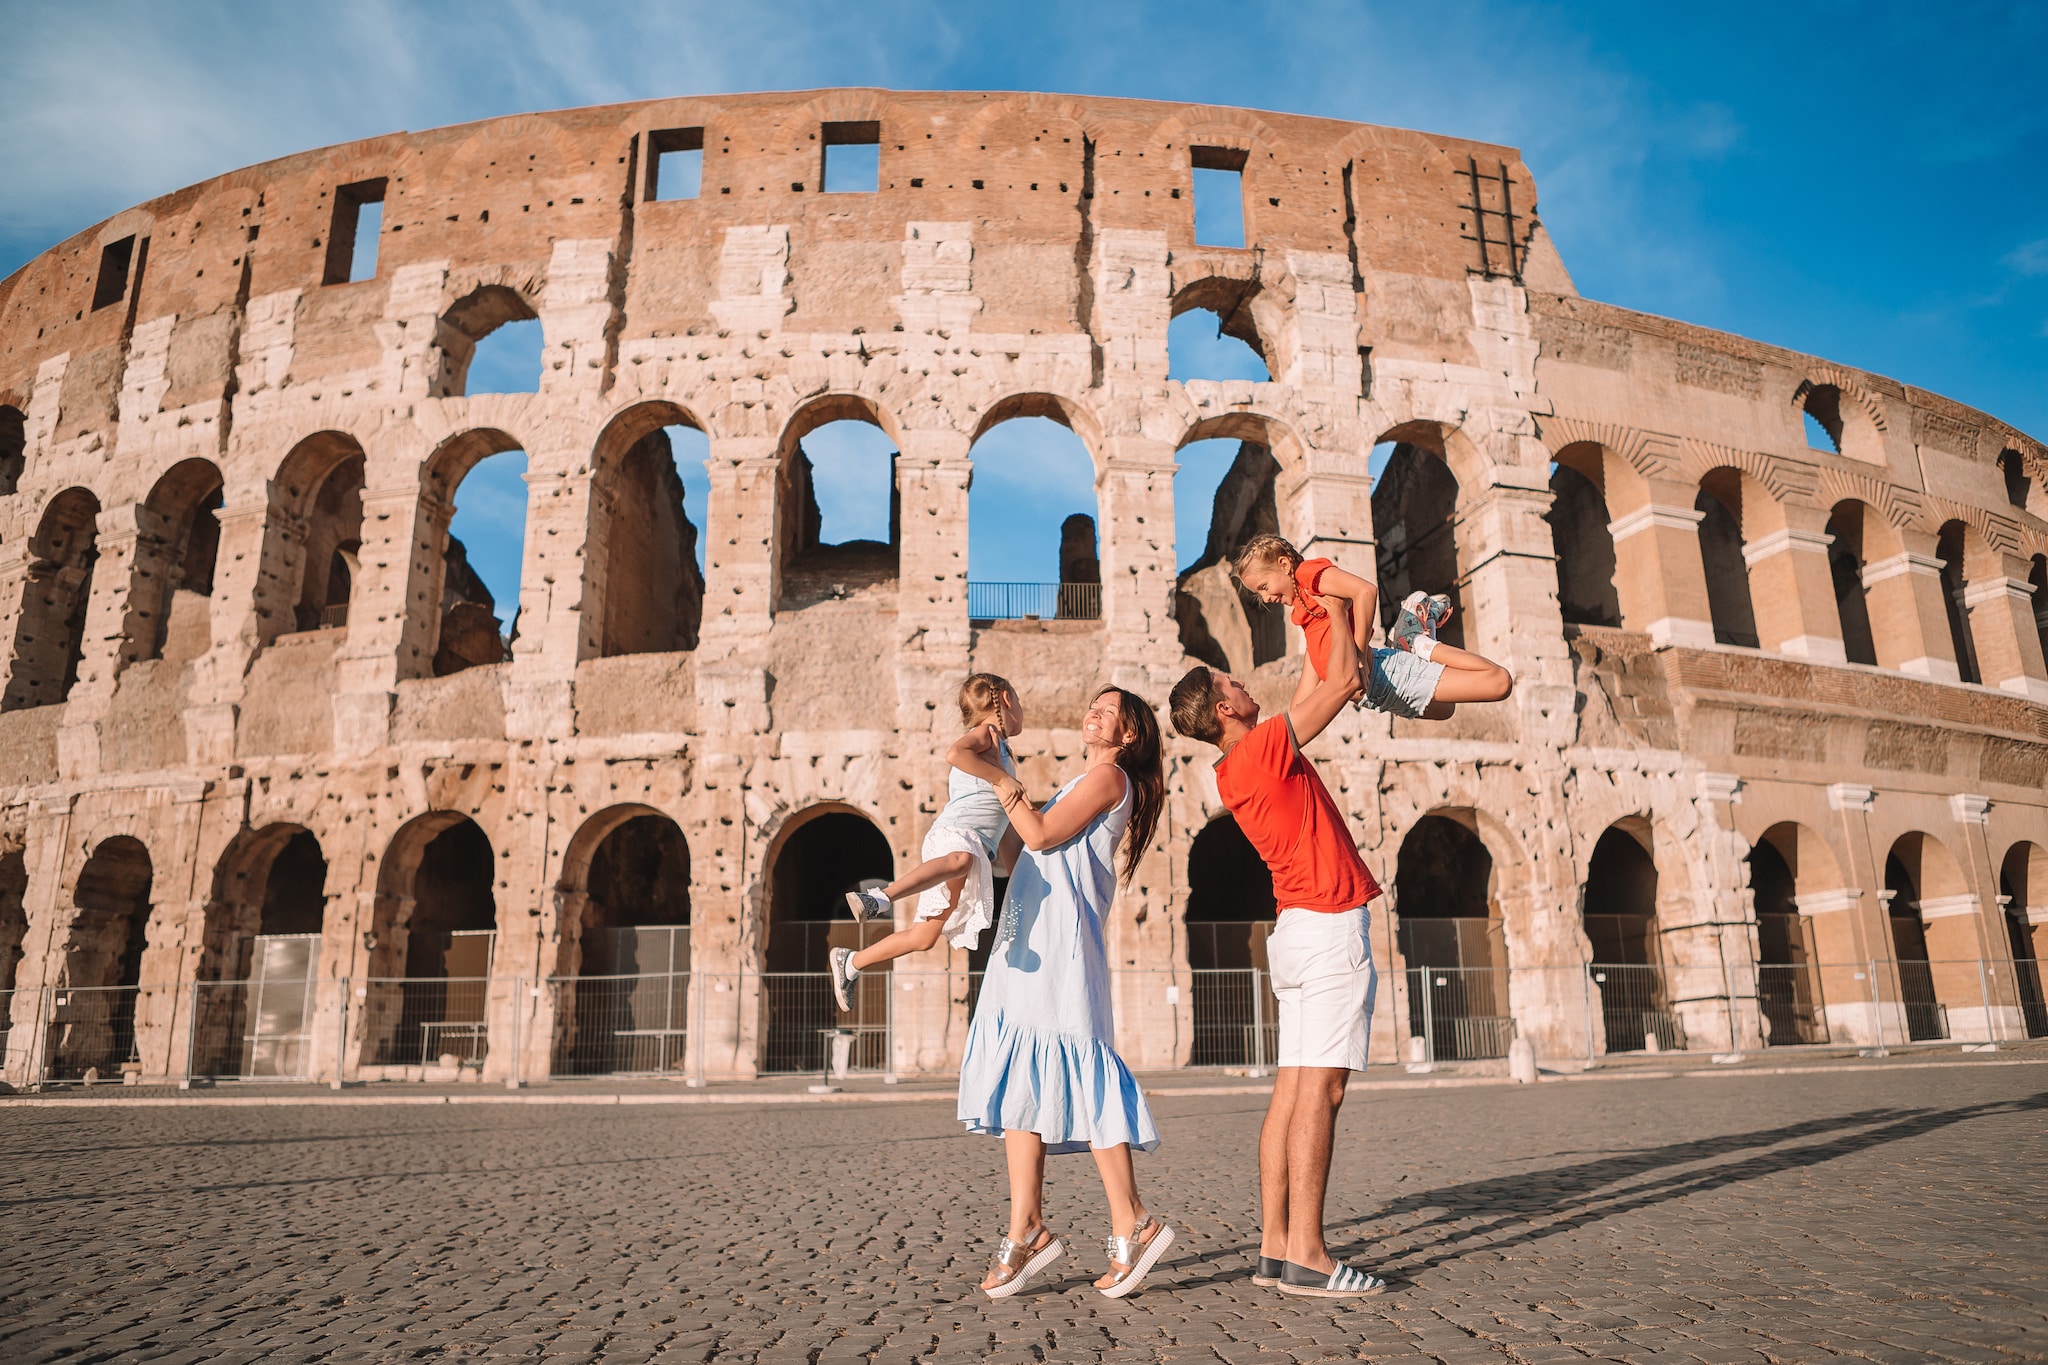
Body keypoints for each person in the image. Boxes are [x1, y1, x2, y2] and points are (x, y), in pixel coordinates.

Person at [1168, 595, 1390, 1298]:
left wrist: (1309, 617)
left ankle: (1273, 1245)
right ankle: (1309, 1253)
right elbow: (1345, 683)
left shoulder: (1236, 766)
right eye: (1231, 682)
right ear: (1222, 707)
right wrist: (1346, 612)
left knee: (1292, 1087)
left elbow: (1311, 686)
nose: (1243, 681)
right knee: (1323, 1088)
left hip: (1295, 929)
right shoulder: (1263, 747)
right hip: (1325, 925)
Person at [952, 686, 1174, 1300]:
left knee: (1083, 1071)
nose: (1093, 713)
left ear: (1128, 736)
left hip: (1061, 947)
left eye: (1109, 711)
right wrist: (987, 806)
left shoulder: (1109, 778)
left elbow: (1043, 835)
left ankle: (1133, 1221)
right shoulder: (1082, 780)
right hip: (1027, 939)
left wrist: (1000, 779)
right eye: (1094, 706)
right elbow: (1017, 846)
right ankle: (1027, 1228)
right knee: (1022, 1075)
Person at [829, 674, 1021, 1012]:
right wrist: (1001, 777)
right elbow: (954, 753)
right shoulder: (985, 736)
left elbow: (1003, 825)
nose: (1023, 709)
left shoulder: (1004, 754)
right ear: (1005, 699)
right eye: (1019, 701)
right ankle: (879, 898)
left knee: (924, 938)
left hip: (976, 851)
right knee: (961, 860)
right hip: (954, 838)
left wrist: (1019, 877)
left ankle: (852, 962)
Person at [1231, 533, 1512, 721]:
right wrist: (1286, 732)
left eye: (1264, 587)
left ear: (1284, 565)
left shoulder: (1308, 575)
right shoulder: (1304, 612)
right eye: (1259, 594)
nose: (1266, 598)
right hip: (1377, 696)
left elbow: (1365, 591)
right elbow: (1311, 678)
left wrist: (1357, 650)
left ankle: (1417, 642)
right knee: (1445, 710)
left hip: (1381, 673)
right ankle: (1412, 641)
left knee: (1498, 682)